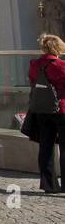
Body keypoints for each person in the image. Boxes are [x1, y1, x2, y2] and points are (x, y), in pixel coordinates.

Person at [26, 33, 65, 193]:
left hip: (41, 109)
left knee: (46, 146)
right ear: (58, 47)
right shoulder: (61, 65)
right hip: (61, 109)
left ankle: (49, 184)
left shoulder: (34, 64)